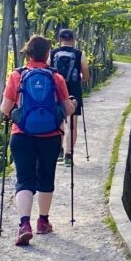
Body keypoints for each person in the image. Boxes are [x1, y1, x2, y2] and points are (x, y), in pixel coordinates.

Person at [0, 35, 74, 247]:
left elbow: (5, 109)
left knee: (24, 179)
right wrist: (73, 105)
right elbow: (67, 109)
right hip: (50, 136)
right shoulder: (56, 77)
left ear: (28, 53)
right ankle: (43, 221)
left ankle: (24, 225)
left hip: (21, 134)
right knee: (46, 177)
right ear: (47, 54)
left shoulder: (17, 76)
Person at [50, 27, 88, 165]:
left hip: (56, 91)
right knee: (72, 124)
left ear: (59, 40)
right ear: (73, 39)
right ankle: (68, 155)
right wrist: (80, 79)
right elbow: (86, 73)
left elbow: (47, 71)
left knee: (58, 121)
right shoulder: (79, 54)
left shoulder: (52, 53)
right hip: (74, 91)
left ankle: (58, 151)